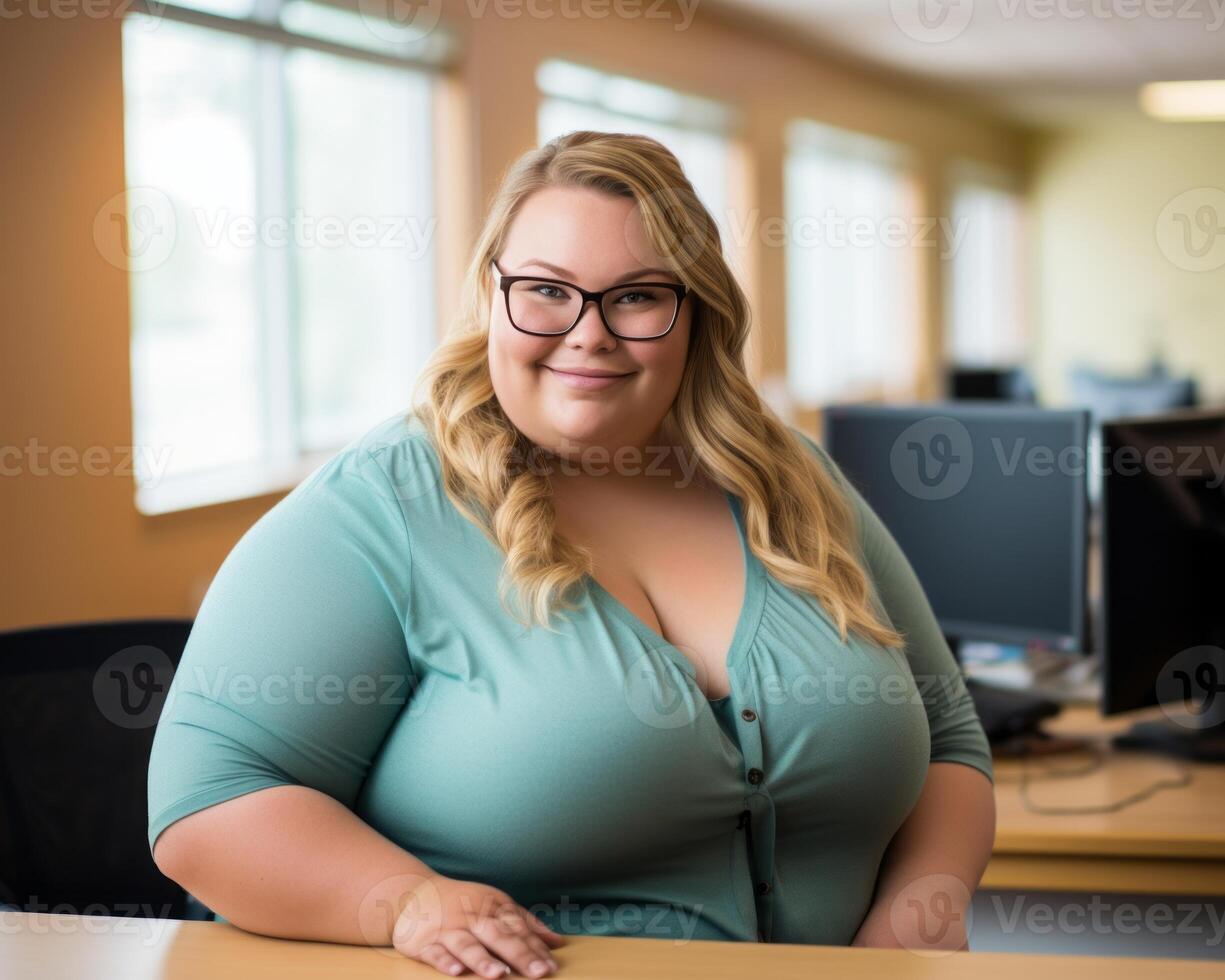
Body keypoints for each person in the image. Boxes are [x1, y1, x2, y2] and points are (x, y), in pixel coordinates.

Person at [148, 131, 995, 978]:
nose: (589, 334)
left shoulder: (790, 480)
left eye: (637, 297)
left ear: (695, 310)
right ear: (493, 295)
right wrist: (405, 902)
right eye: (547, 291)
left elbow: (949, 738)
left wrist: (917, 917)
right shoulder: (378, 509)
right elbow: (209, 800)